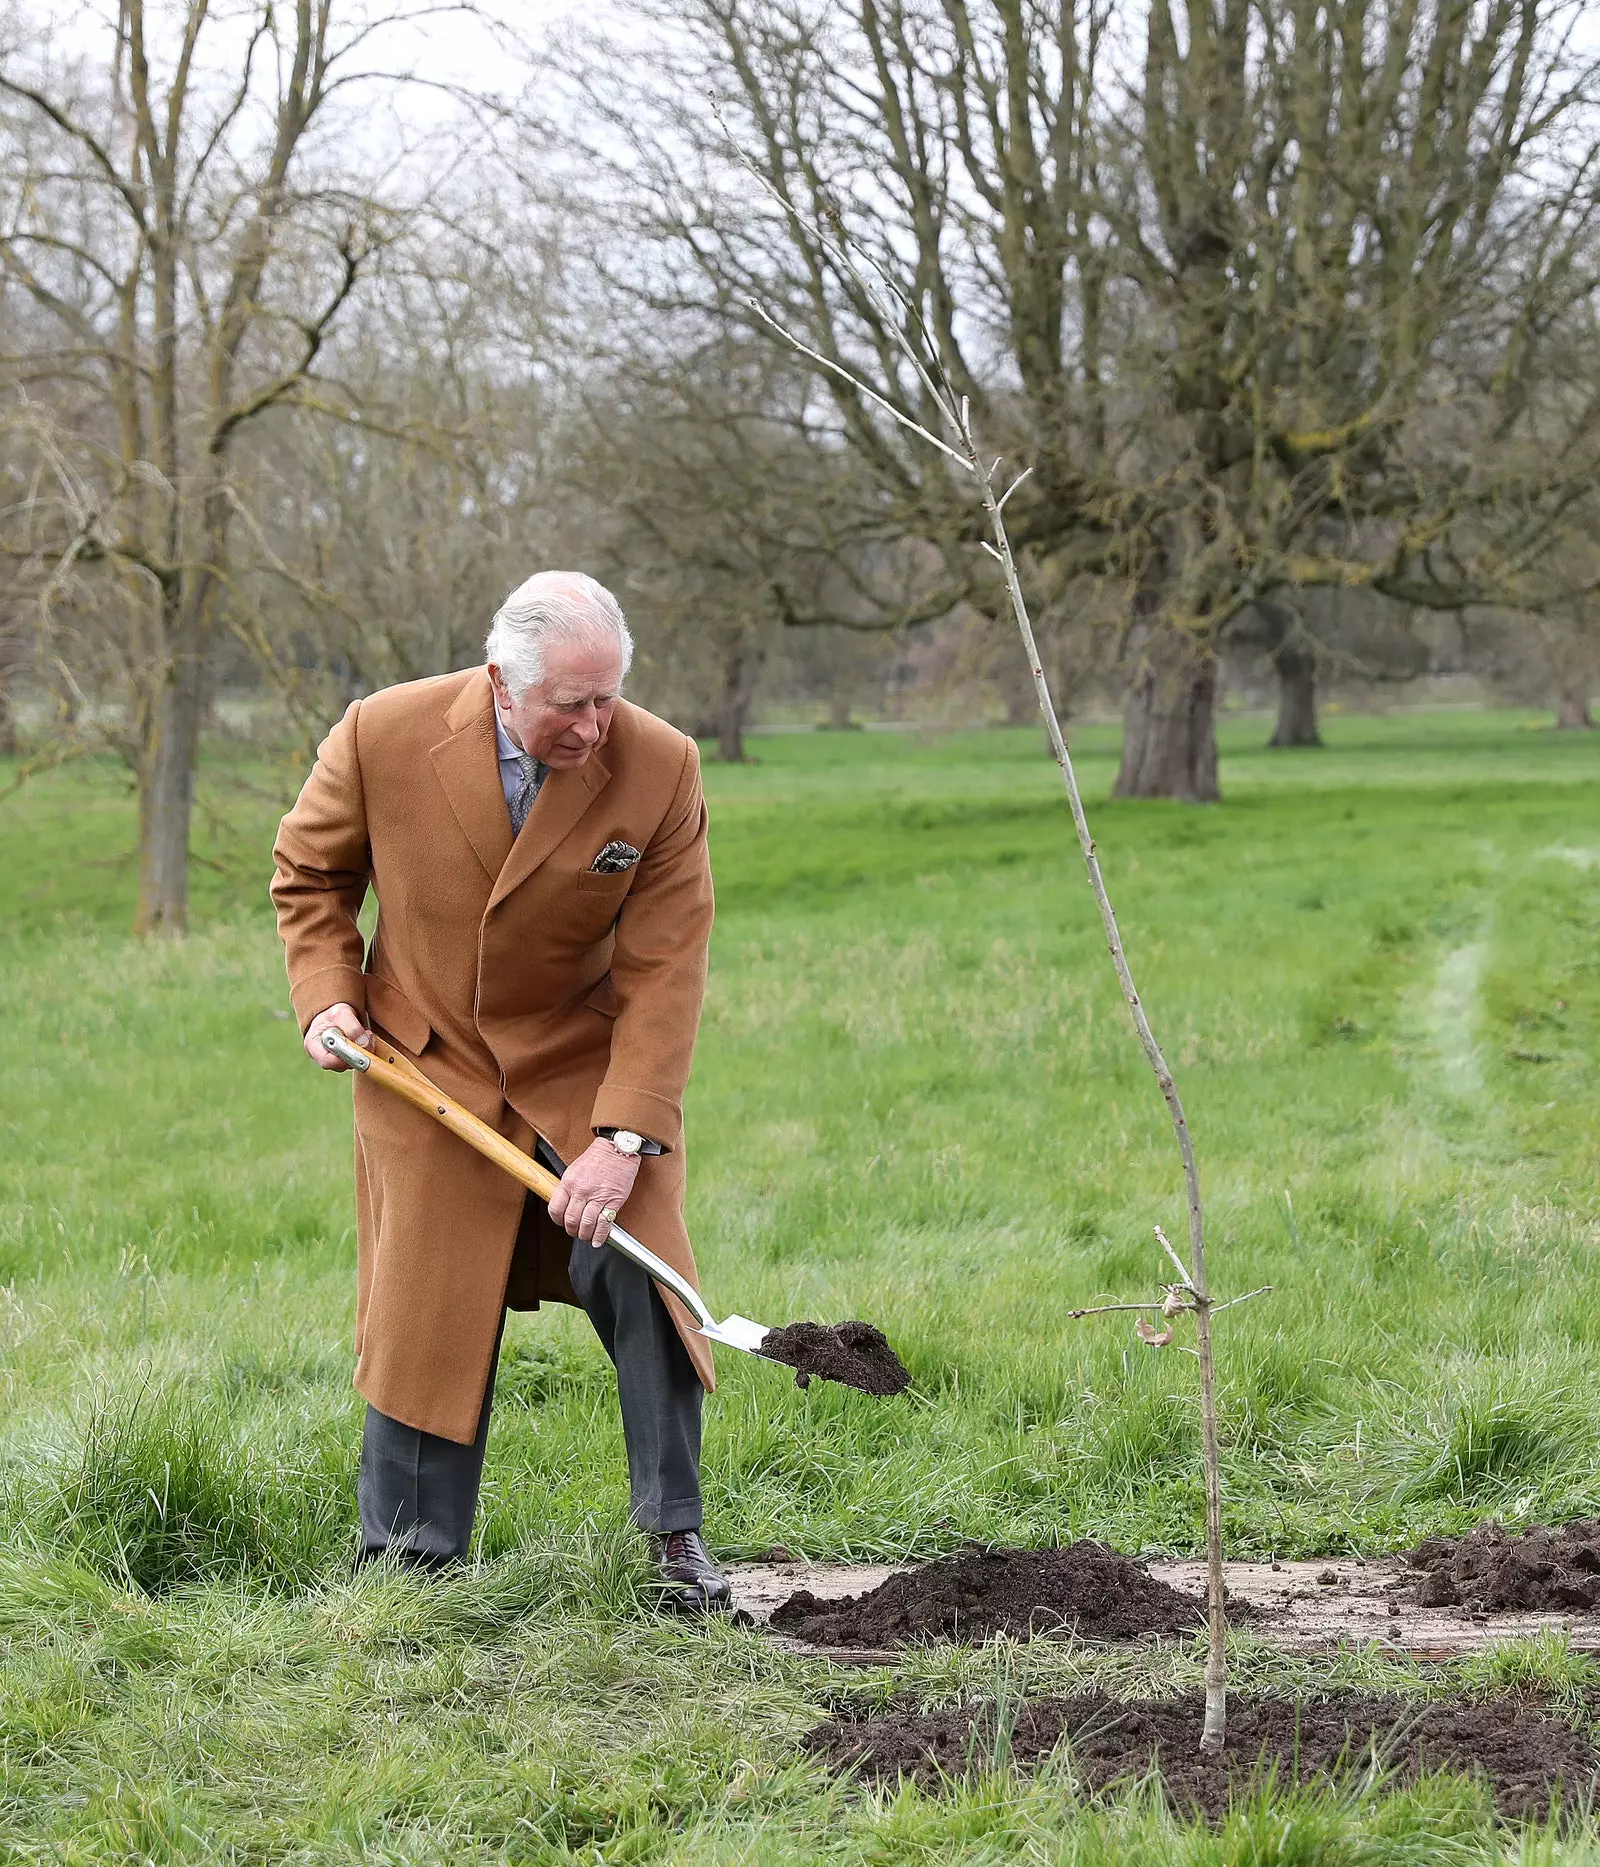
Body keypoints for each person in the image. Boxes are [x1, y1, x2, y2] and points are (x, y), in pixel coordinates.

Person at [271, 571, 729, 1607]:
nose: (594, 724)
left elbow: (667, 962)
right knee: (422, 1300)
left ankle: (676, 1543)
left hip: (583, 1063)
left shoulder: (660, 768)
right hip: (421, 1055)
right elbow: (308, 872)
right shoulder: (379, 735)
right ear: (498, 683)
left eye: (607, 696)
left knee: (645, 1267)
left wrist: (625, 1137)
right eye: (570, 702)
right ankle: (408, 1557)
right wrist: (325, 994)